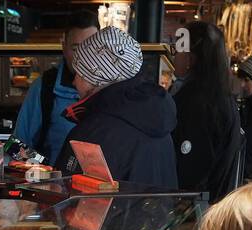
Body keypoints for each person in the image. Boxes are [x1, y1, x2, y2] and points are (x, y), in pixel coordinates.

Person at [55, 27, 177, 188]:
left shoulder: (94, 131)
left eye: (79, 73)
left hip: (115, 214)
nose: (74, 82)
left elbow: (66, 193)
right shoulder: (157, 118)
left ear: (96, 77)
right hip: (161, 213)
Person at [13, 11, 98, 164]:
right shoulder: (45, 87)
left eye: (91, 48)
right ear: (64, 47)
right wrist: (47, 168)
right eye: (76, 48)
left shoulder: (112, 89)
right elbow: (15, 147)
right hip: (53, 186)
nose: (85, 57)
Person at [170, 21, 241, 200]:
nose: (173, 57)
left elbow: (192, 167)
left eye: (176, 50)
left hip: (196, 209)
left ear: (191, 57)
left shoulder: (196, 101)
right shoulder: (221, 94)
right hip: (216, 202)